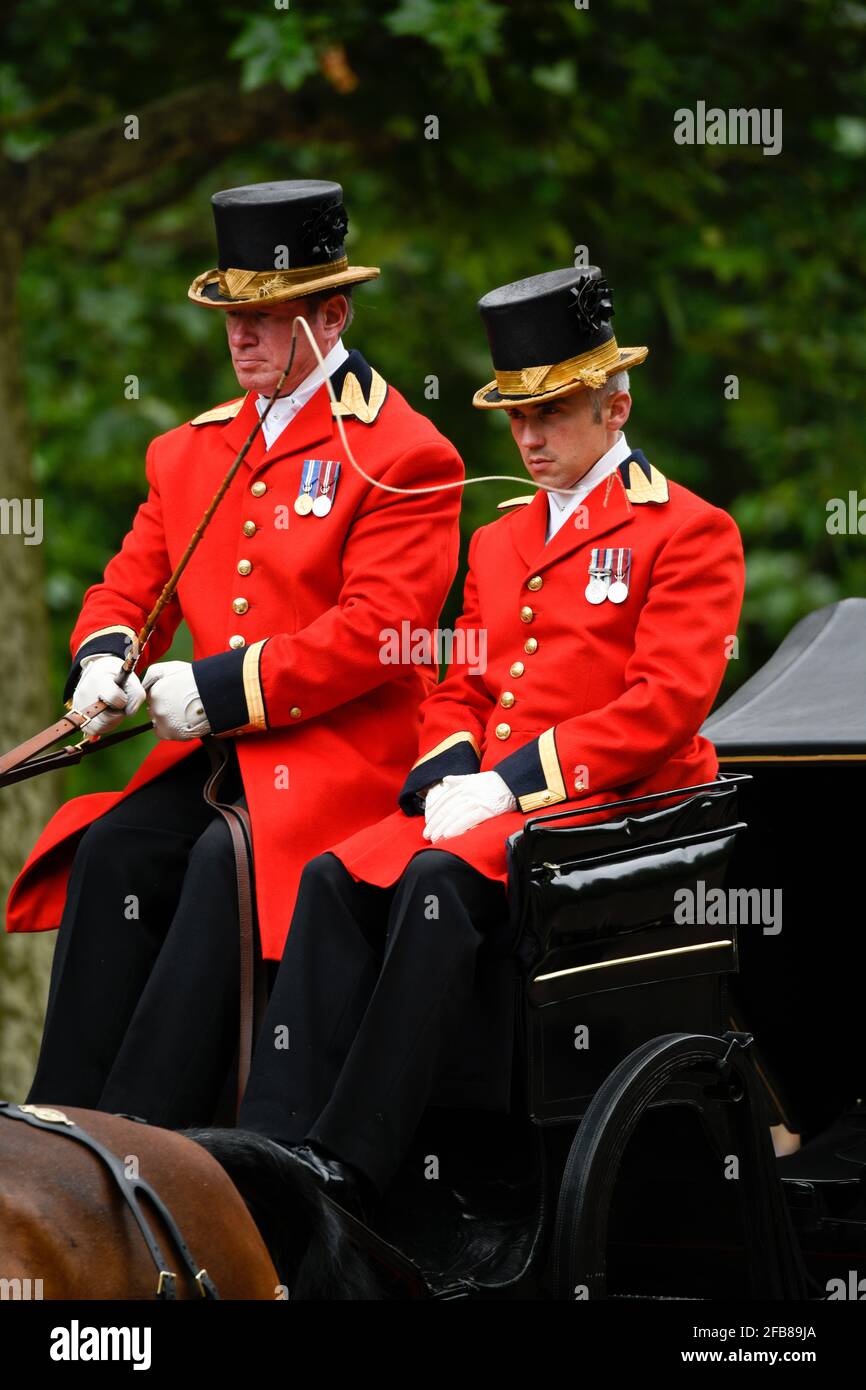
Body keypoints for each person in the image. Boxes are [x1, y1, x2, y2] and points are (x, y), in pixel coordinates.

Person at [236, 265, 747, 1213]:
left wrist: (511, 783)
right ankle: (268, 1141)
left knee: (433, 884)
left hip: (615, 806)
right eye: (517, 416)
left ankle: (352, 1160)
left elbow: (665, 704)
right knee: (332, 874)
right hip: (493, 801)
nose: (528, 437)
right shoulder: (500, 539)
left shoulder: (690, 530)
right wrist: (446, 770)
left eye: (552, 413)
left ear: (616, 406)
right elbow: (463, 681)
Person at [8, 179, 464, 1128]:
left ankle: (145, 1147)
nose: (239, 336)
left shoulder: (407, 452)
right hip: (221, 756)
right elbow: (135, 583)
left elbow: (381, 629)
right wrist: (105, 659)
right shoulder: (188, 449)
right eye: (230, 314)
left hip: (344, 760)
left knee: (227, 861)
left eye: (264, 316)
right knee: (114, 847)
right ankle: (58, 1125)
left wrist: (222, 688)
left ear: (331, 316)